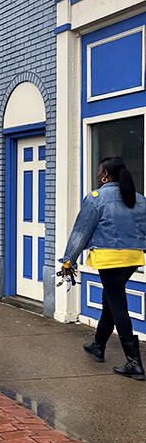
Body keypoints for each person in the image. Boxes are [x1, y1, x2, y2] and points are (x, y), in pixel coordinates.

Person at [60, 157, 146, 380]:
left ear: (106, 175)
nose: (98, 175)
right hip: (133, 258)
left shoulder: (96, 198)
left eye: (99, 171)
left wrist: (68, 261)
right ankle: (97, 346)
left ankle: (134, 363)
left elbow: (81, 231)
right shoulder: (139, 199)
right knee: (111, 300)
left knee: (117, 306)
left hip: (109, 260)